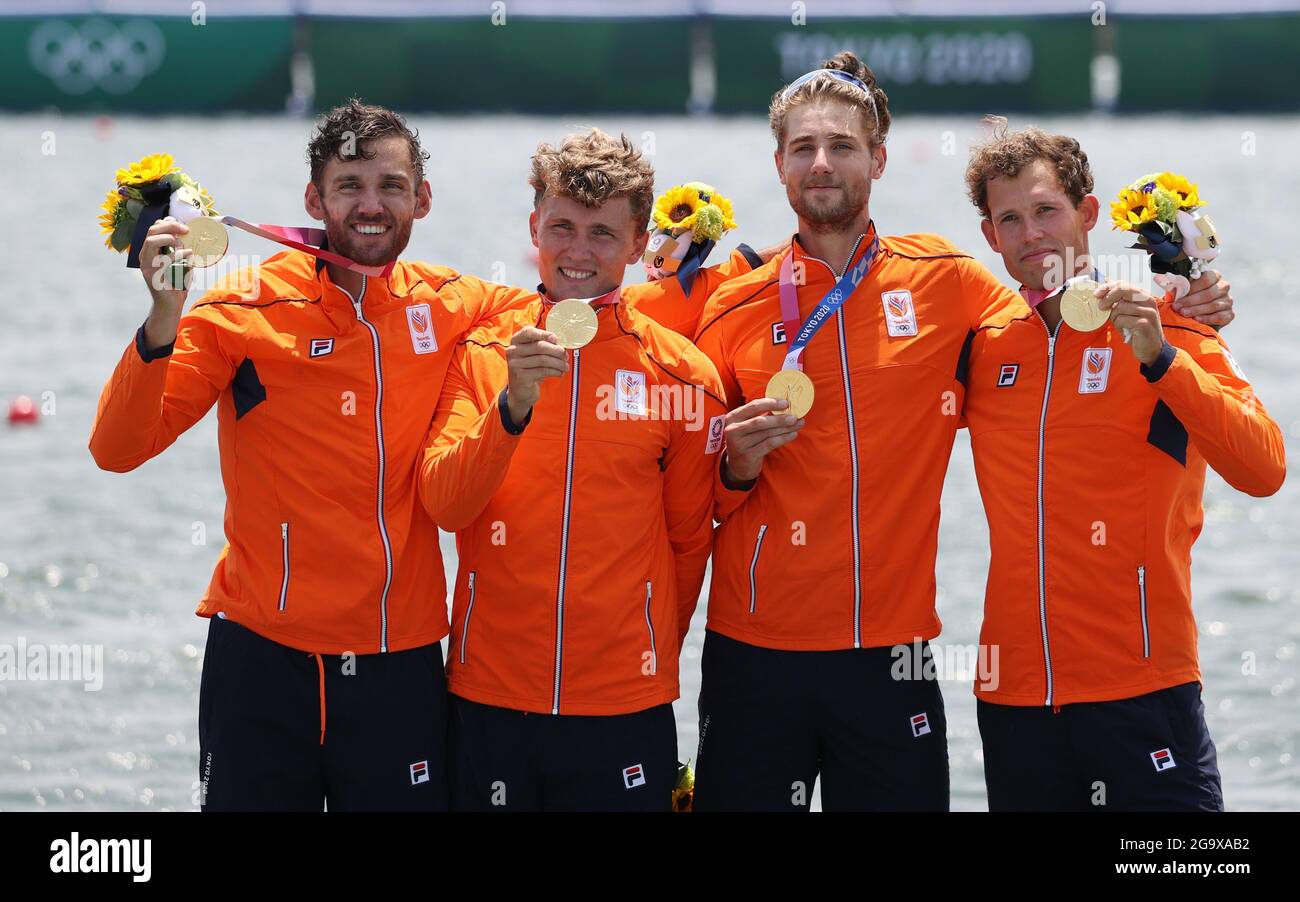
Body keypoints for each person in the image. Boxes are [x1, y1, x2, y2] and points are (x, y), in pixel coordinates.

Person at [960, 123, 1285, 810]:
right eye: (1009, 219)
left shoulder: (1168, 327)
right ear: (991, 238)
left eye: (1046, 210)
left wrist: (1163, 361)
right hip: (1015, 701)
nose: (1031, 234)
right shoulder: (984, 350)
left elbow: (1264, 468)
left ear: (1087, 214)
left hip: (1145, 692)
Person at [416, 129, 736, 811]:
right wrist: (513, 405)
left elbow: (687, 543)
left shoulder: (685, 375)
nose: (578, 251)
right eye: (561, 227)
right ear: (534, 226)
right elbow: (445, 505)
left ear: (638, 241)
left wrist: (640, 661)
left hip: (624, 704)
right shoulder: (481, 350)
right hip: (490, 697)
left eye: (600, 232)